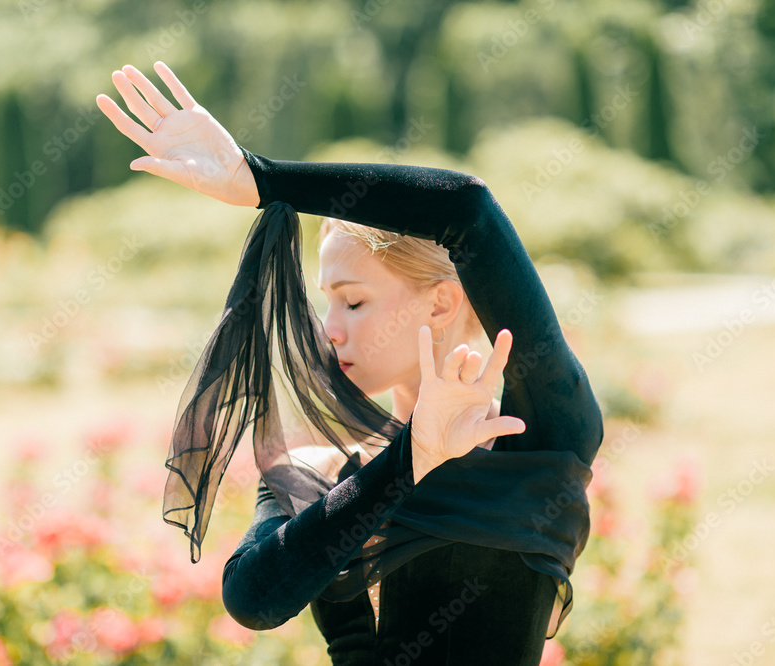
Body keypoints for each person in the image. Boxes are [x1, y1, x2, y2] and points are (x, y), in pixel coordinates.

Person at [96, 61, 603, 665]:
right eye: (326, 301)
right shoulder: (321, 469)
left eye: (355, 301)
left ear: (441, 301)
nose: (329, 329)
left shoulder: (543, 433)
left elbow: (469, 210)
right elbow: (254, 599)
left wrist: (261, 179)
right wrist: (411, 456)